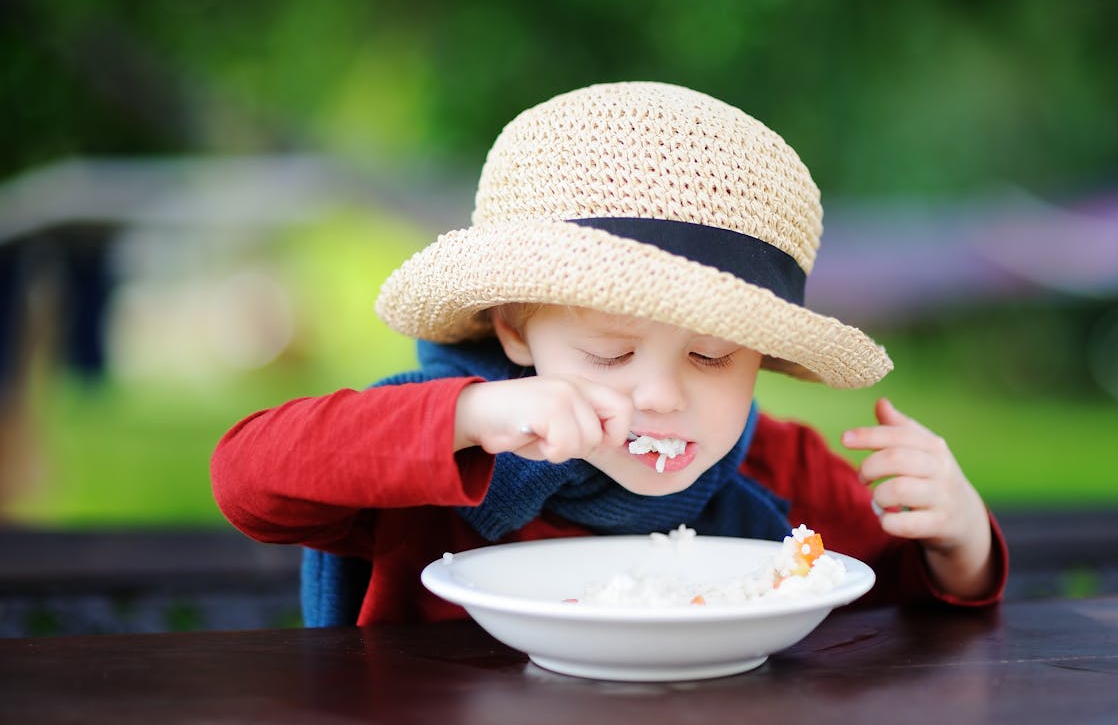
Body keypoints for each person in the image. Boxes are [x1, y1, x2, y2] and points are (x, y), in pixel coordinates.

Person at [211, 81, 1007, 626]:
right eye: (609, 351)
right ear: (517, 331)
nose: (660, 396)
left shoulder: (779, 471)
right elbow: (247, 480)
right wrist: (472, 418)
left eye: (710, 359)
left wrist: (957, 539)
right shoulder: (432, 456)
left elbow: (896, 601)